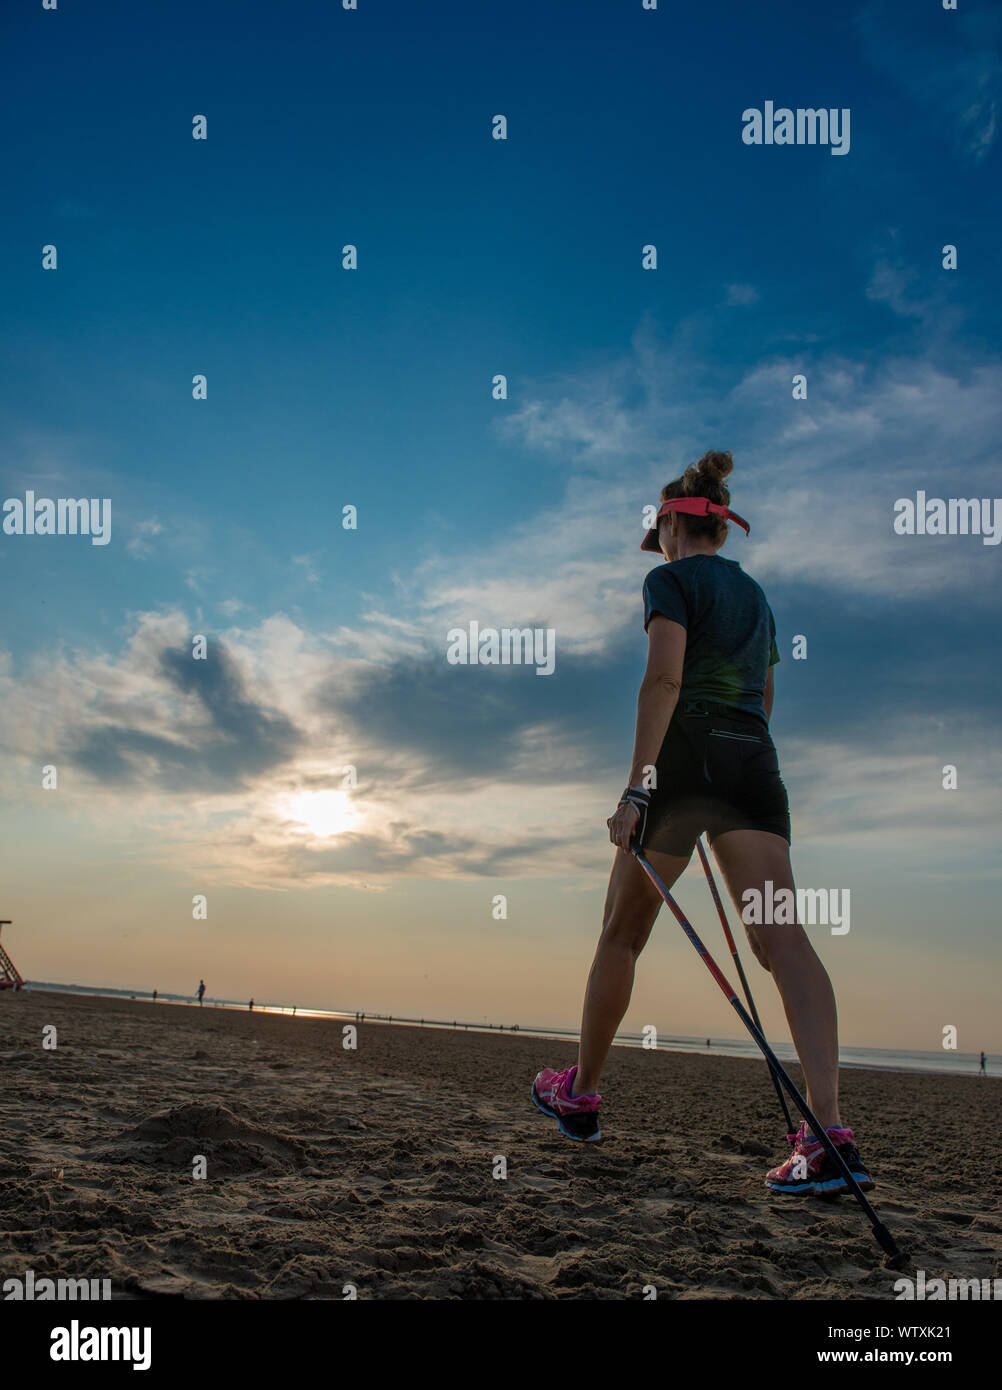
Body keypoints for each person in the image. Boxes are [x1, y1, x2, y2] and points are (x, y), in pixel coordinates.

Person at [531, 451, 874, 1199]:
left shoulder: (669, 581)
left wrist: (638, 789)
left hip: (683, 763)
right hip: (755, 766)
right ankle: (829, 1133)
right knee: (782, 940)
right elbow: (765, 696)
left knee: (621, 933)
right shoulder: (757, 599)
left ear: (668, 527)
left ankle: (580, 1094)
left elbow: (664, 678)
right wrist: (730, 799)